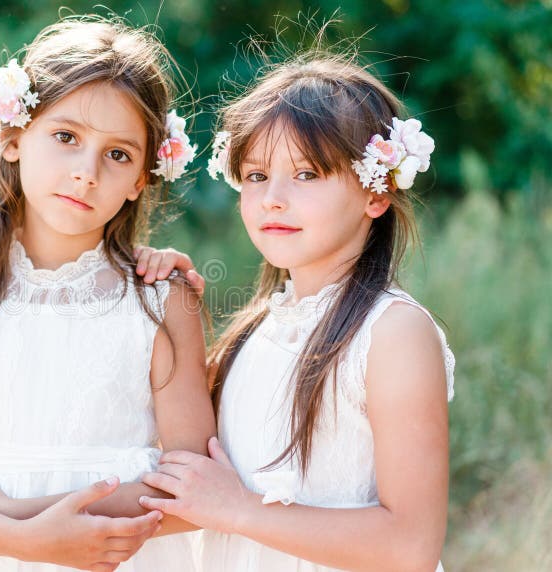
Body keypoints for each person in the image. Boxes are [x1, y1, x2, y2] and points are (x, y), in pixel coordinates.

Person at [0, 16, 214, 572]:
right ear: (14, 139)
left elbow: (194, 488)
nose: (86, 173)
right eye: (66, 137)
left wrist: (16, 520)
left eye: (118, 154)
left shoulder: (161, 300)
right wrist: (26, 543)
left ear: (141, 179)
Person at [136, 53, 456, 571]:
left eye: (306, 174)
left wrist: (239, 510)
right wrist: (169, 302)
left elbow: (411, 546)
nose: (273, 199)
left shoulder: (392, 332)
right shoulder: (256, 329)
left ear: (376, 193)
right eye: (256, 175)